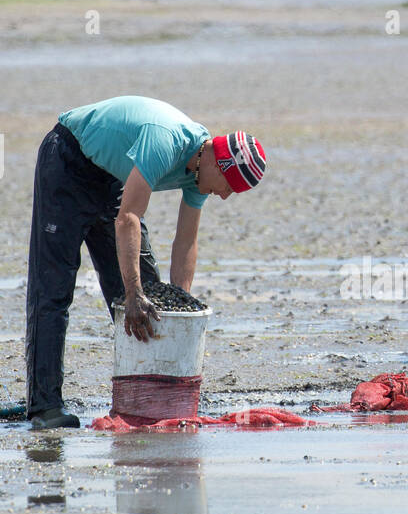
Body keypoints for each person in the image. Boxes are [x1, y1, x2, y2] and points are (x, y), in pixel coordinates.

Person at [24, 96, 267, 429]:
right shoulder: (165, 141)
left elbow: (186, 241)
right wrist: (132, 292)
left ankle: (152, 400)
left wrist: (178, 304)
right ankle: (45, 407)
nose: (224, 195)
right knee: (53, 290)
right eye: (228, 187)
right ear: (216, 160)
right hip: (67, 161)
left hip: (110, 179)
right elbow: (128, 219)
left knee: (153, 302)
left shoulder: (199, 172)